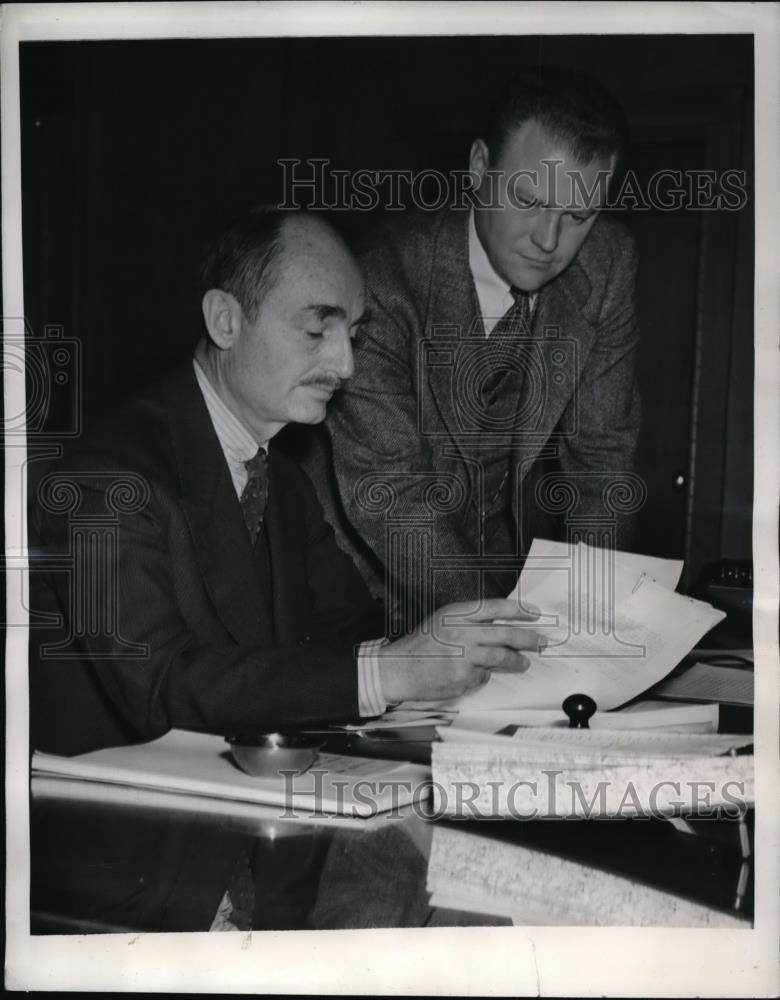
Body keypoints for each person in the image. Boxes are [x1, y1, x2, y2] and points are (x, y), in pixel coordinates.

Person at [28, 208, 542, 760]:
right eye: (318, 329)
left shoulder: (285, 482)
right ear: (225, 320)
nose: (345, 365)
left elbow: (349, 634)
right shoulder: (103, 481)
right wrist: (391, 671)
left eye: (353, 334)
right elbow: (158, 689)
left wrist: (450, 647)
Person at [308, 67, 642, 628]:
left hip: (506, 592)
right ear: (481, 168)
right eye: (530, 199)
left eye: (578, 215)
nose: (548, 240)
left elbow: (603, 464)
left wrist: (590, 620)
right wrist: (506, 632)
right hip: (361, 591)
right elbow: (394, 497)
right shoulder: (381, 284)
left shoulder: (608, 265)